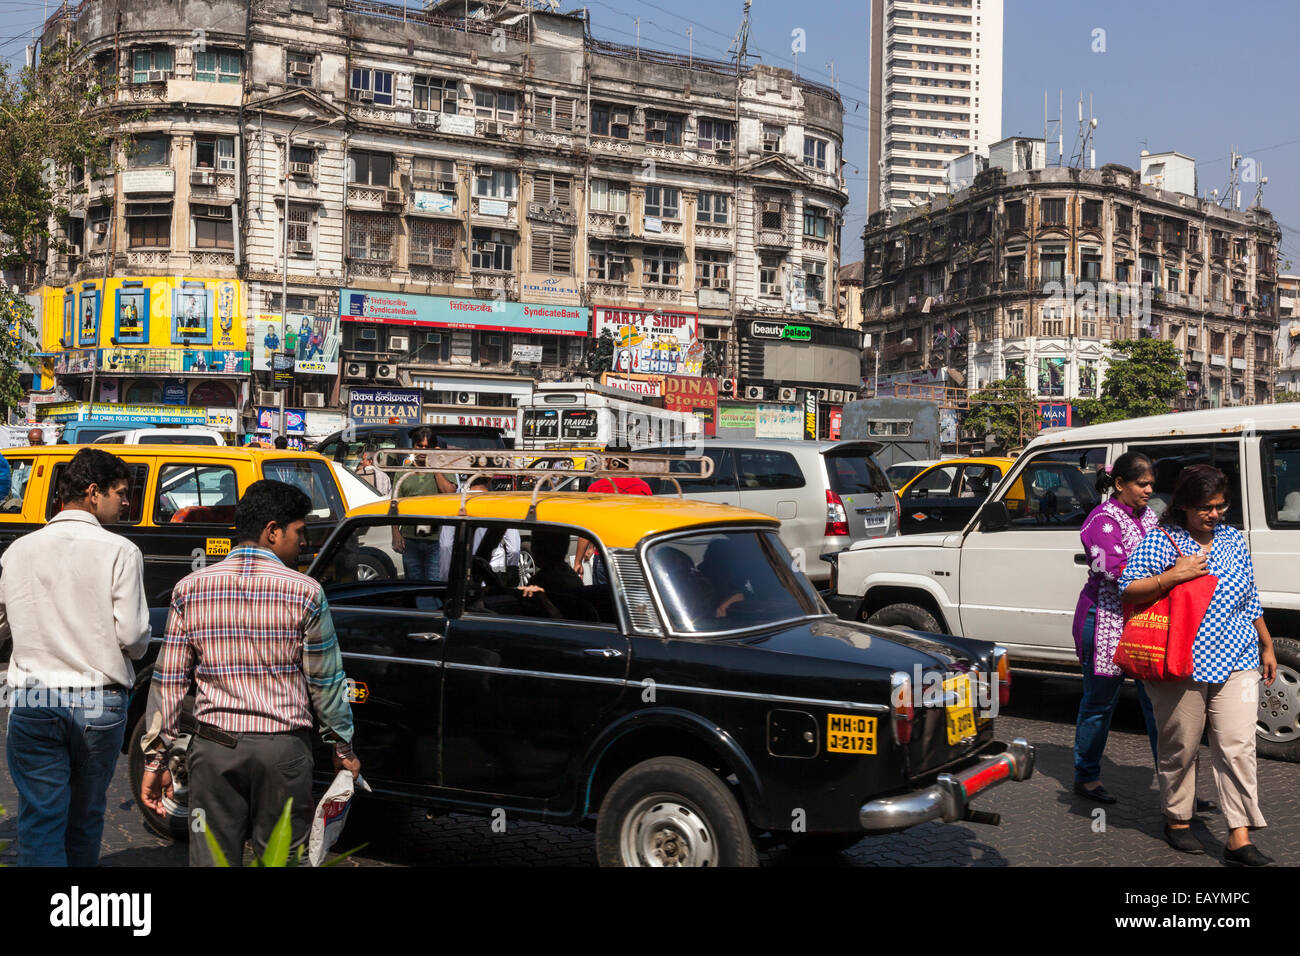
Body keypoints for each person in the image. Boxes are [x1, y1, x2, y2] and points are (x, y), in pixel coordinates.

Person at [140, 480, 360, 866]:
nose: (303, 544)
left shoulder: (190, 589)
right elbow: (326, 683)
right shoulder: (305, 592)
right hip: (284, 753)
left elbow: (169, 682)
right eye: (298, 532)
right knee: (281, 859)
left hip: (213, 751)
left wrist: (155, 761)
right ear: (272, 531)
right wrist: (342, 748)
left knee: (211, 858)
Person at [1119, 464, 1278, 866]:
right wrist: (1174, 574)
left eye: (1220, 506)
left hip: (1238, 656)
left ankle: (1239, 836)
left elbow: (1249, 593)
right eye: (1206, 508)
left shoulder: (1233, 539)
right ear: (1186, 506)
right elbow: (1129, 589)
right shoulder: (1161, 540)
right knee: (1181, 746)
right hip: (1181, 661)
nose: (1214, 514)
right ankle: (1176, 819)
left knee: (1238, 745)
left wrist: (1267, 642)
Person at [0, 448, 150, 866]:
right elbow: (135, 636)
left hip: (32, 700)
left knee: (40, 818)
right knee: (85, 817)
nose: (126, 502)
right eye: (120, 492)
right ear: (91, 492)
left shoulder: (17, 552)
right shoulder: (120, 551)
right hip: (97, 702)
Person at [1070, 452, 1161, 804]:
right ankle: (1086, 776)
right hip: (1105, 618)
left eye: (1152, 483)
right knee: (1099, 703)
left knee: (1156, 703)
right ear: (1120, 484)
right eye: (1142, 483)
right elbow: (1117, 573)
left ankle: (1175, 784)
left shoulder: (1149, 517)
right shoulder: (1101, 521)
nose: (1149, 489)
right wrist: (1167, 577)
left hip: (1143, 620)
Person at [574, 449, 651, 582]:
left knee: (605, 600)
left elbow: (588, 526)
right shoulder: (643, 487)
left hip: (605, 556)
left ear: (610, 460)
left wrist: (578, 561)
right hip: (634, 557)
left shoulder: (597, 488)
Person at [392, 427, 456, 580]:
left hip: (436, 541)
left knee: (432, 587)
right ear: (413, 447)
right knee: (413, 588)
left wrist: (435, 467)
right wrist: (395, 532)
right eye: (419, 446)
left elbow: (449, 493)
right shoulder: (403, 472)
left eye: (427, 447)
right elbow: (394, 504)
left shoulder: (443, 469)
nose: (423, 450)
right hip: (410, 540)